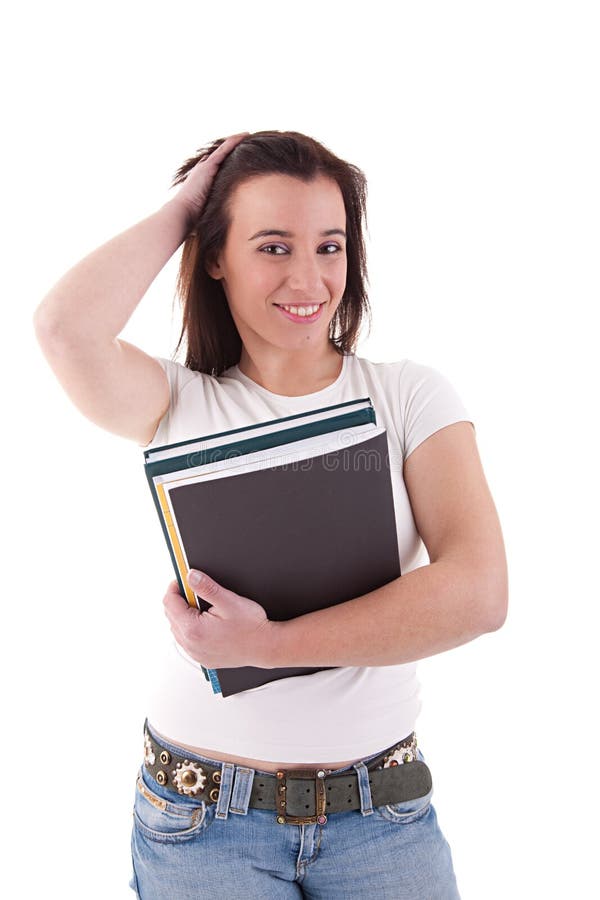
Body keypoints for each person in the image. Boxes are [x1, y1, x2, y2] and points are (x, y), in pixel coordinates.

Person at [33, 130, 508, 899]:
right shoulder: (176, 401)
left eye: (330, 245)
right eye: (273, 246)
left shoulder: (409, 397)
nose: (309, 277)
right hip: (202, 823)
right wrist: (189, 205)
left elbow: (478, 594)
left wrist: (271, 643)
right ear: (215, 255)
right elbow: (63, 328)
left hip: (381, 816)